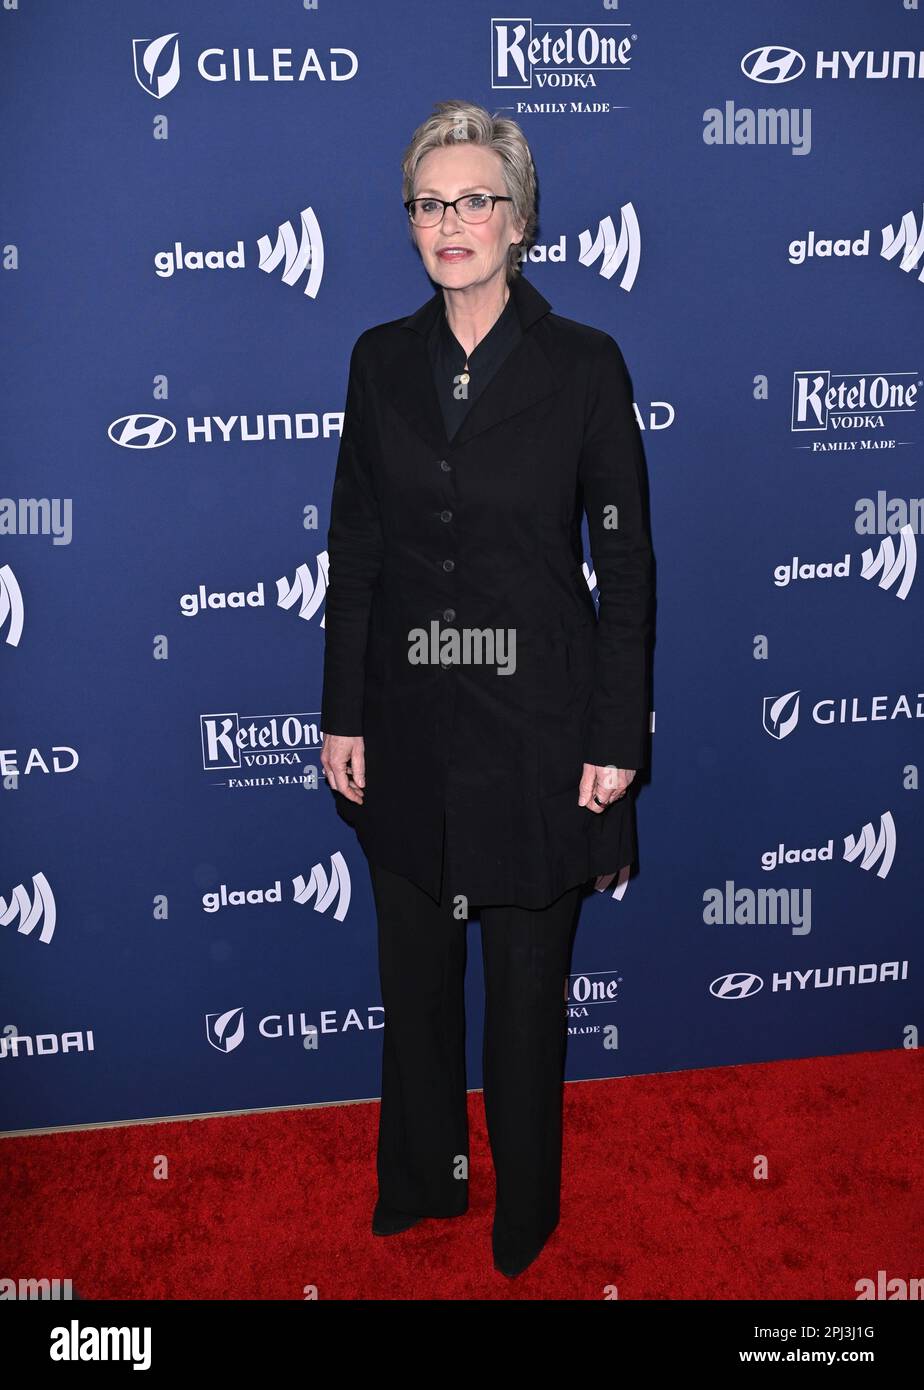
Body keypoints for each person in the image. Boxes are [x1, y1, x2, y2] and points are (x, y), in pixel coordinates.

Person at [320, 99, 654, 1279]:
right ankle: (421, 1179)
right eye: (429, 202)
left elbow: (624, 565)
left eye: (475, 201)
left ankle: (526, 1210)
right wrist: (342, 711)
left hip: (539, 727)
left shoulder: (584, 366)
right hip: (408, 720)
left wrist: (617, 740)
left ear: (519, 221)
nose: (450, 222)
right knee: (410, 975)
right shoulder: (378, 359)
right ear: (408, 221)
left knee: (525, 994)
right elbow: (355, 546)